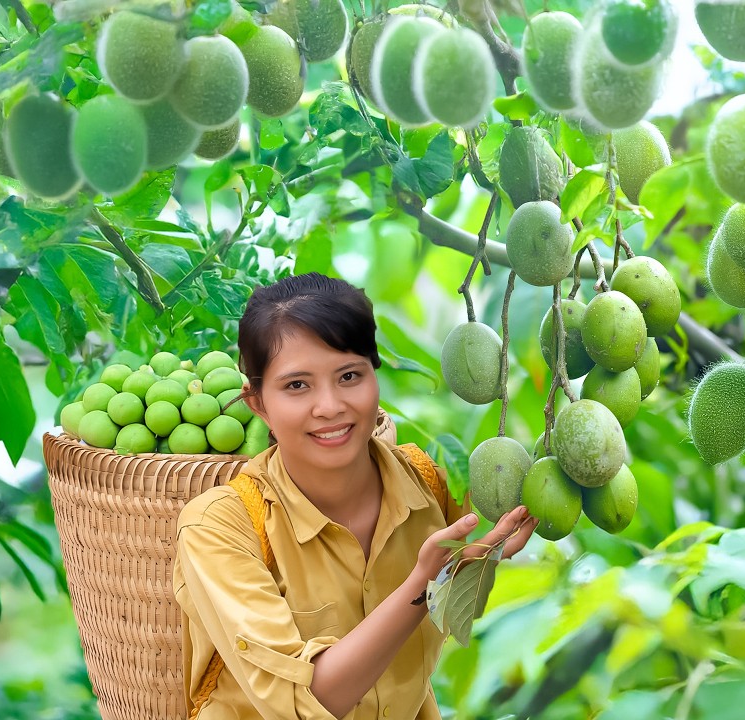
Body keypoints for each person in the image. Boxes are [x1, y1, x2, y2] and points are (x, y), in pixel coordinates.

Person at [172, 272, 537, 719]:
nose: (330, 406)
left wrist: (480, 557)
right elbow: (307, 704)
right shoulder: (219, 527)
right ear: (258, 403)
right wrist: (422, 583)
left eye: (349, 375)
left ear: (374, 376)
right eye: (297, 385)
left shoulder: (432, 487)